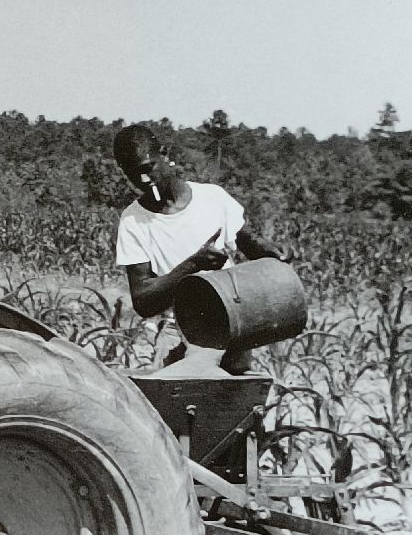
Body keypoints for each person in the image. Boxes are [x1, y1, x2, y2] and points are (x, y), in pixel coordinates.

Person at [111, 124, 286, 373]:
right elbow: (143, 301)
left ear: (165, 154)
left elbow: (249, 243)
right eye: (133, 174)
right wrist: (193, 265)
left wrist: (273, 252)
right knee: (174, 406)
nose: (144, 180)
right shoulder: (133, 221)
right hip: (178, 330)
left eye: (148, 168)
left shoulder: (212, 198)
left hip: (230, 325)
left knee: (234, 404)